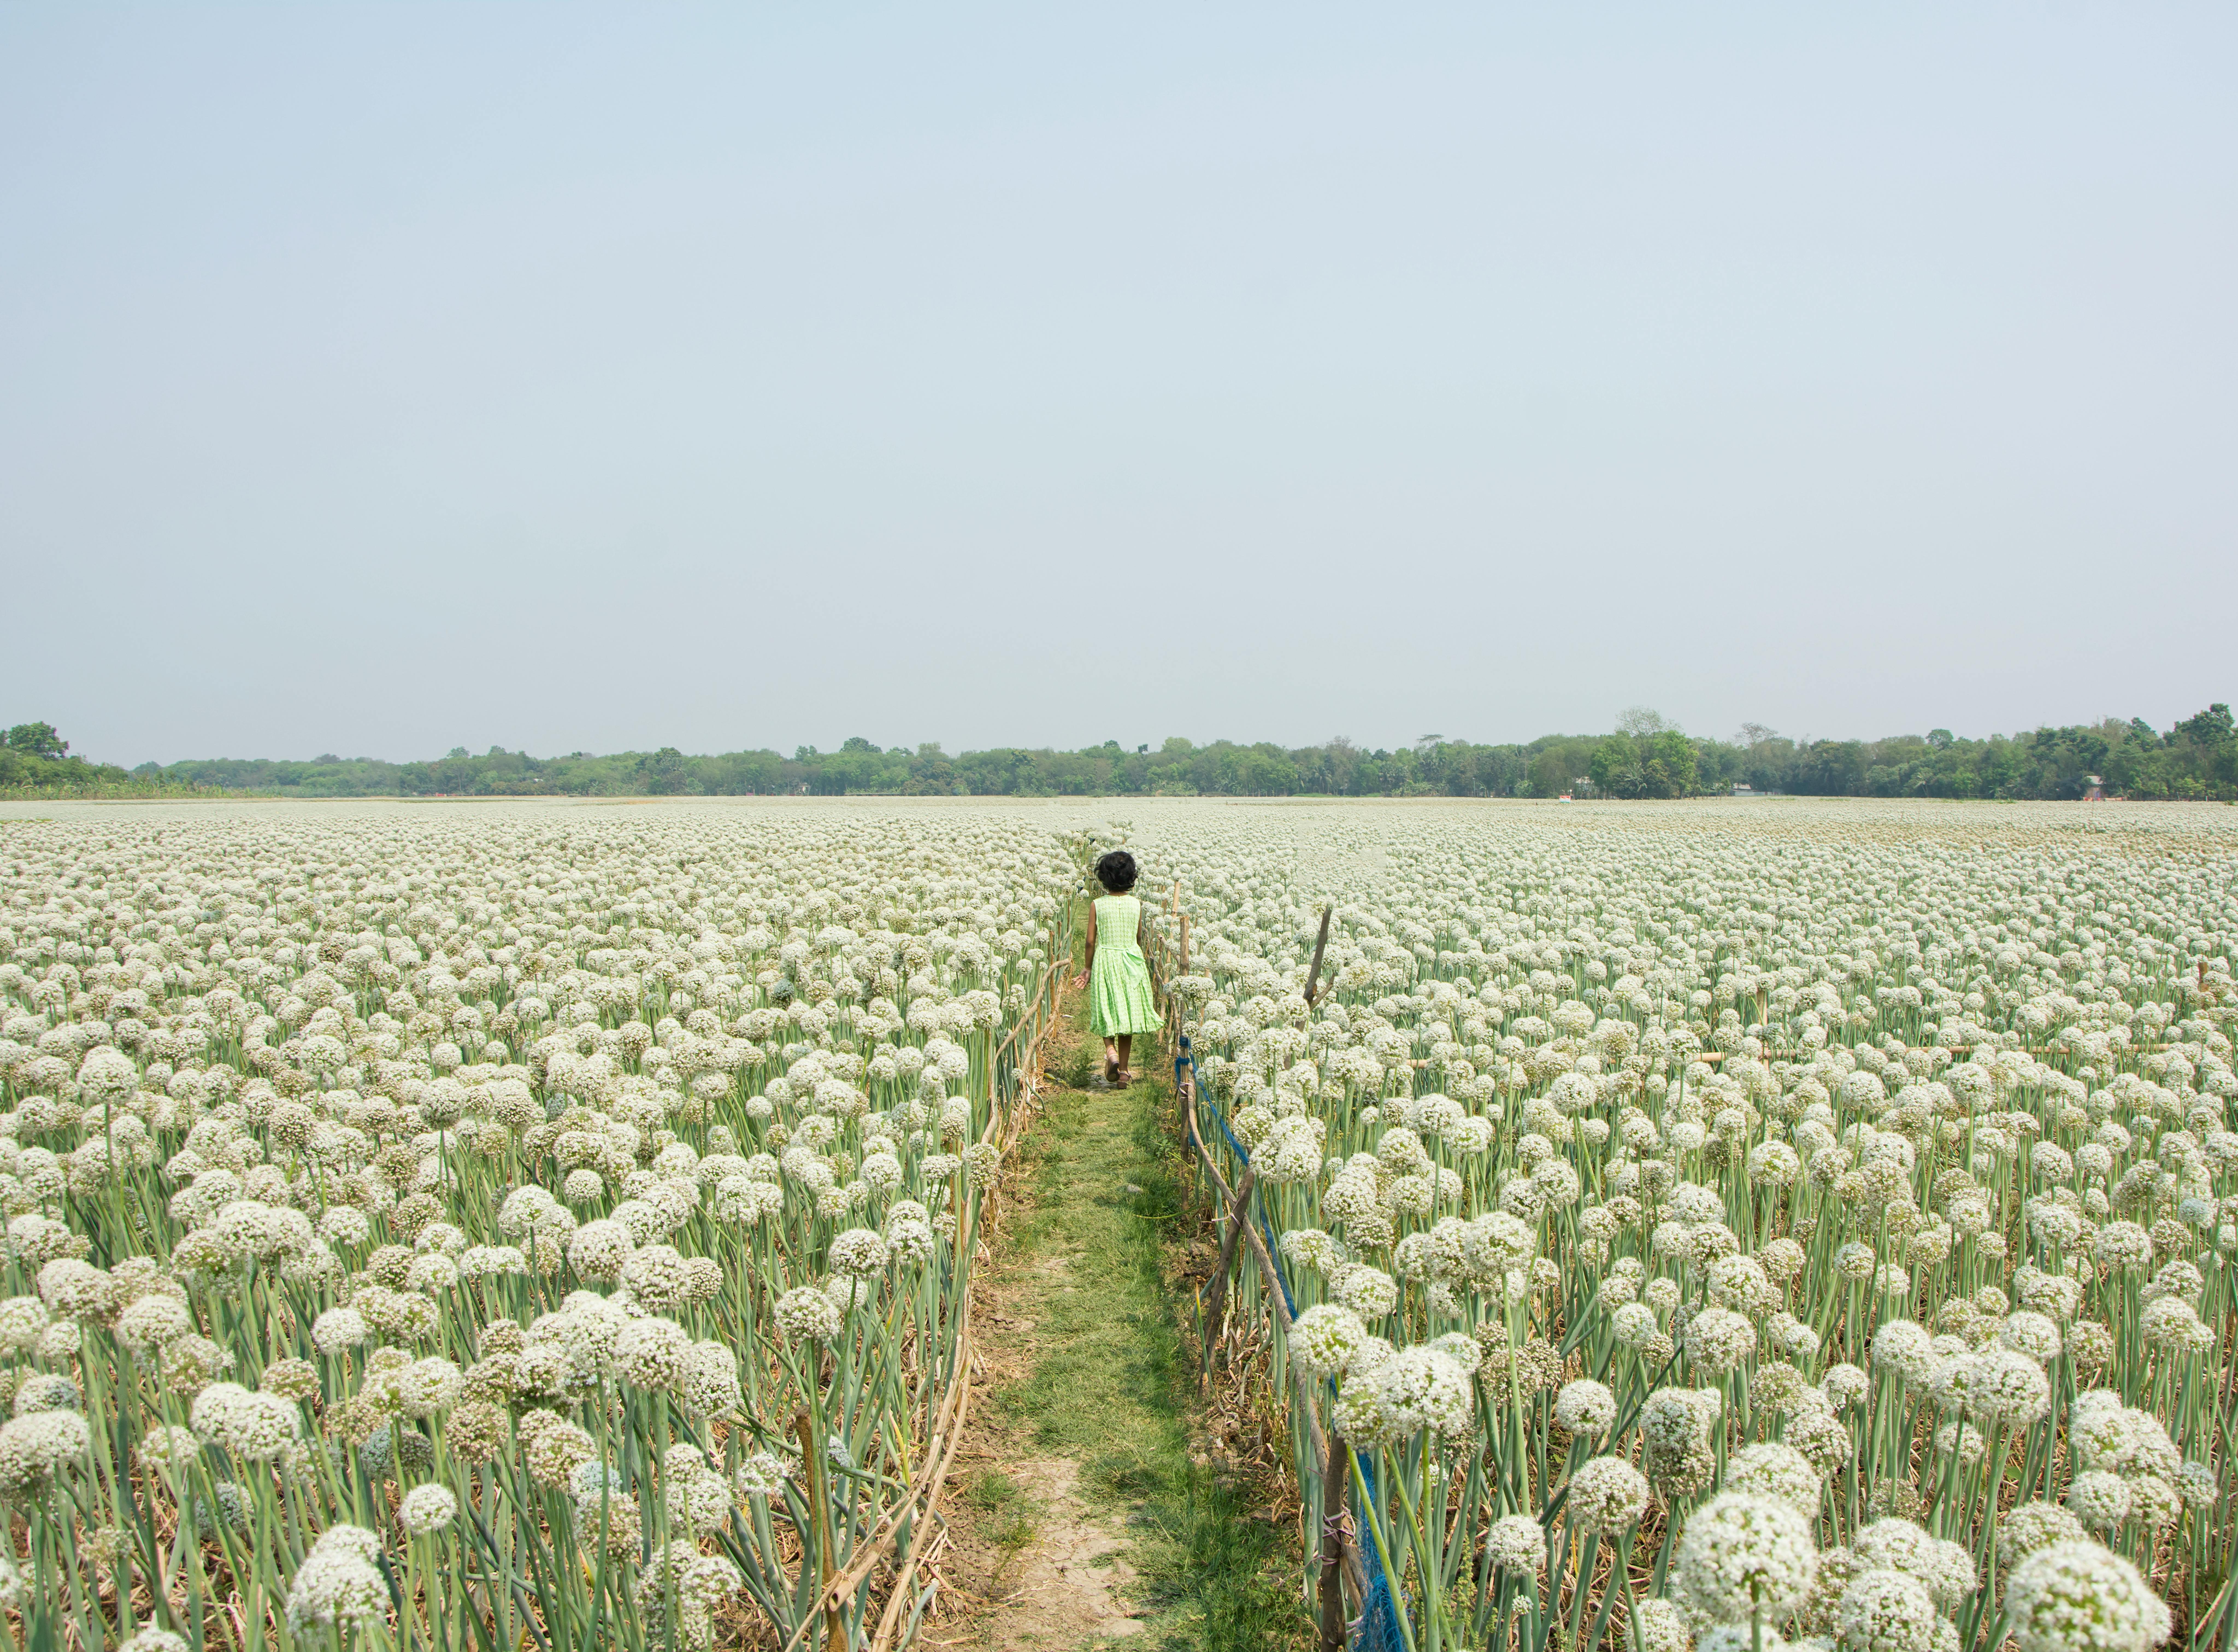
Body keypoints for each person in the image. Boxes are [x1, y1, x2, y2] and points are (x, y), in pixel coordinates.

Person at [1071, 848, 1164, 1085]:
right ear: (1131, 878)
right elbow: (1138, 937)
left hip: (1106, 959)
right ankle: (1124, 1072)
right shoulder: (1137, 904)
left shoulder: (1097, 905)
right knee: (1126, 1014)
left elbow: (1090, 940)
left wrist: (1087, 968)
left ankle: (1109, 1052)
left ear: (1104, 878)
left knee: (1107, 1008)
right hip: (1131, 960)